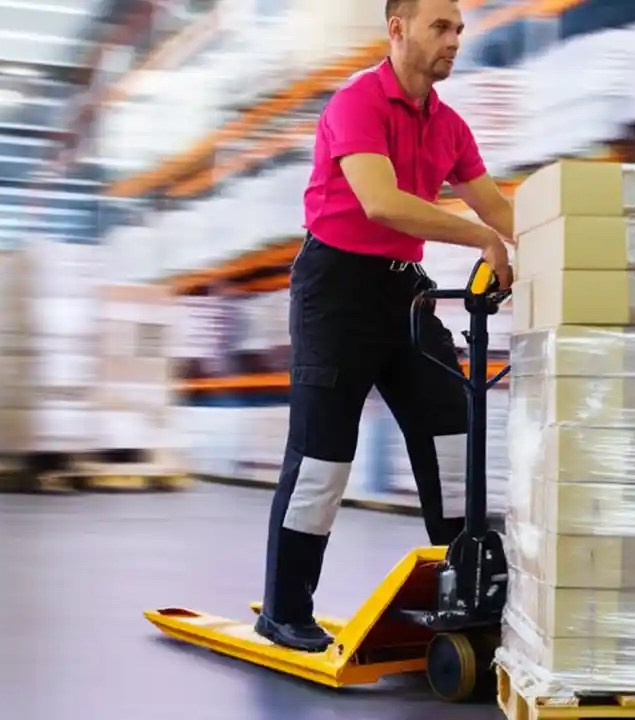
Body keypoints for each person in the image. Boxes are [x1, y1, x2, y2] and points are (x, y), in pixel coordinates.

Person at [255, 0, 516, 653]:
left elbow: (496, 208)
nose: (454, 40)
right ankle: (284, 611)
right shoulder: (357, 104)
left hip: (404, 291)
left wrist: (558, 249)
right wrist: (482, 239)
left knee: (453, 437)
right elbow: (381, 201)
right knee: (323, 457)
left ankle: (467, 593)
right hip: (336, 289)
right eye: (440, 27)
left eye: (459, 29)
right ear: (397, 30)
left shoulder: (449, 125)